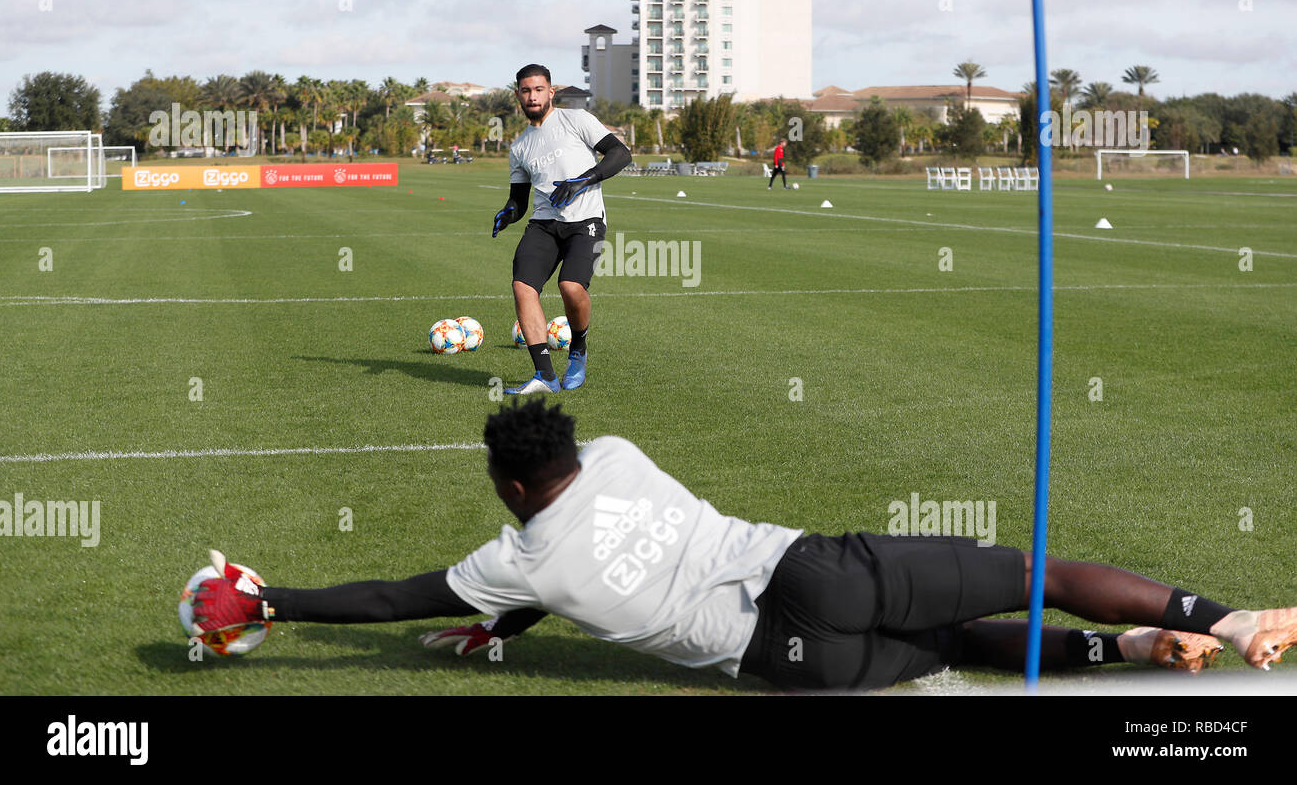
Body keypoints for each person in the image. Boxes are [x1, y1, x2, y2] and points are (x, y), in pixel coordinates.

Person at [190, 399, 1296, 692]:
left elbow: (389, 597)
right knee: (1039, 570)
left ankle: (1125, 661)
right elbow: (557, 559)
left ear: (511, 483)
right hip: (804, 564)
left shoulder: (512, 562)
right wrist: (498, 620)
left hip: (781, 659)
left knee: (960, 639)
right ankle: (1217, 621)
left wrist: (268, 598)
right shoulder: (613, 451)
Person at [491, 64, 632, 394]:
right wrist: (509, 213)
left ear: (550, 92)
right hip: (543, 225)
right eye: (526, 91)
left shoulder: (576, 120)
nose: (532, 96)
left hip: (586, 222)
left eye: (539, 89)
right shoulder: (519, 147)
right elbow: (519, 200)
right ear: (518, 96)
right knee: (523, 287)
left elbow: (620, 153)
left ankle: (578, 350)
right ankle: (545, 376)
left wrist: (583, 181)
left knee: (571, 287)